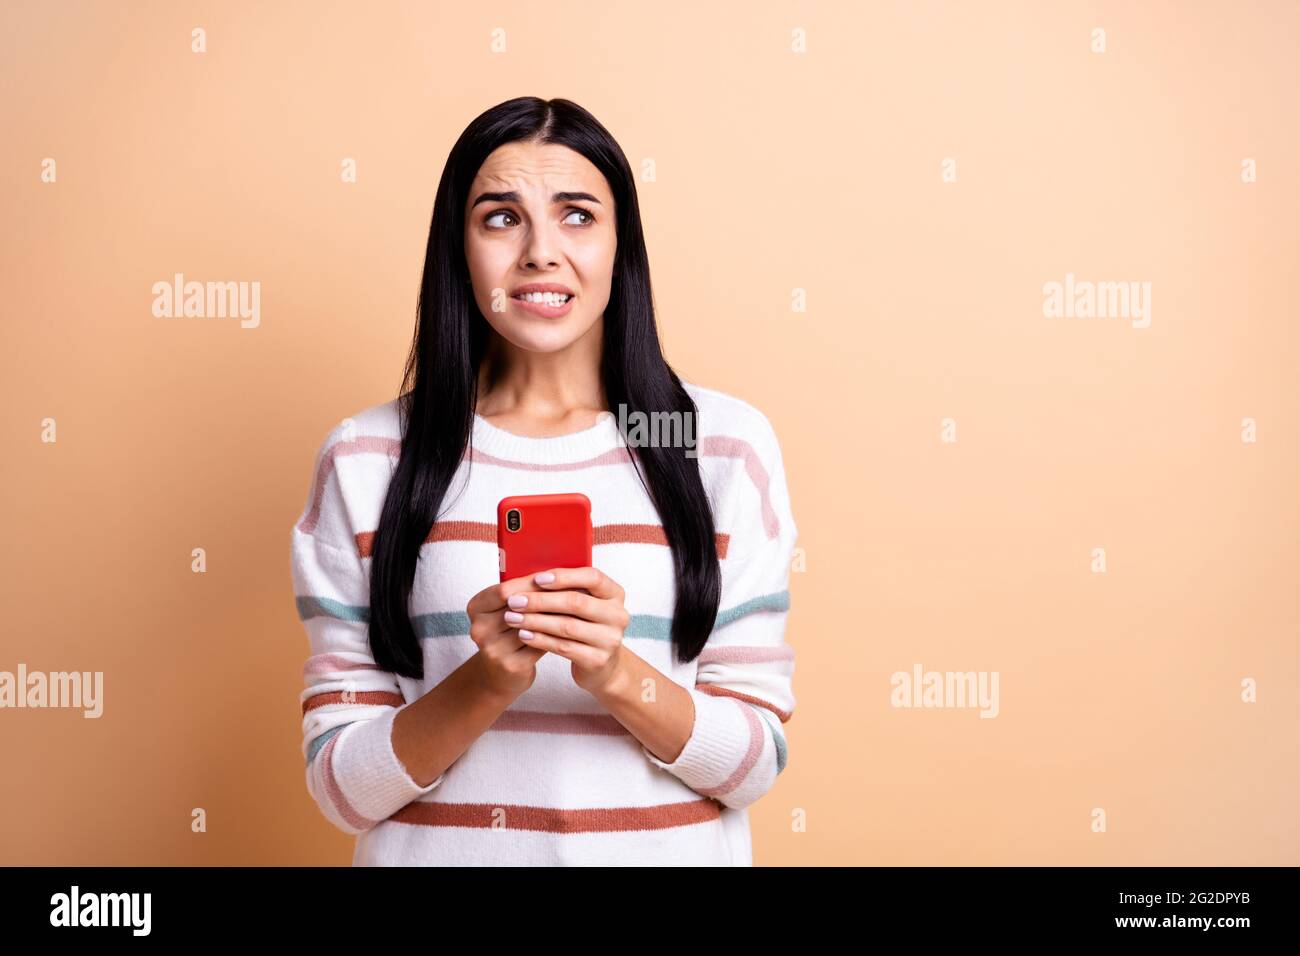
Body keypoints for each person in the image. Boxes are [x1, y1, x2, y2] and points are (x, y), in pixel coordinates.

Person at [290, 96, 798, 865]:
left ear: (621, 244)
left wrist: (616, 673)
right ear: (457, 247)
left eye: (578, 215)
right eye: (500, 217)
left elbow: (755, 763)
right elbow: (341, 789)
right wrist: (485, 681)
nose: (539, 252)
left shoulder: (719, 446)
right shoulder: (368, 458)